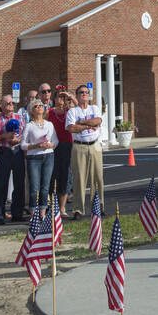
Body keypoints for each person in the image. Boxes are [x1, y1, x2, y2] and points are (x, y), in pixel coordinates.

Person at [66, 85, 103, 219]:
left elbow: (98, 120)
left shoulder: (94, 108)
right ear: (77, 96)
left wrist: (82, 122)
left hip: (95, 145)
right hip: (79, 146)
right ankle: (78, 209)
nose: (84, 94)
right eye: (81, 93)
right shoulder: (72, 112)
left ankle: (98, 207)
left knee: (97, 178)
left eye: (86, 92)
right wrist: (88, 126)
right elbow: (71, 128)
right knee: (79, 179)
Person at [20, 101, 57, 217]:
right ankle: (33, 213)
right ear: (32, 110)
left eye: (41, 106)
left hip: (48, 156)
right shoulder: (29, 126)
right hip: (34, 157)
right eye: (36, 106)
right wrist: (36, 146)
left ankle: (42, 213)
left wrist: (51, 145)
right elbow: (23, 144)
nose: (40, 107)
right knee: (34, 186)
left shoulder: (49, 124)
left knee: (45, 186)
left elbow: (55, 140)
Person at [0, 95, 26, 224]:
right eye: (7, 103)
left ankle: (17, 213)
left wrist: (19, 139)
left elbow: (26, 135)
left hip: (18, 152)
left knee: (19, 184)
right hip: (3, 152)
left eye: (12, 103)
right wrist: (2, 136)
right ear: (1, 105)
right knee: (1, 184)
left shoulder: (20, 118)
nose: (10, 105)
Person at [48, 90, 74, 217]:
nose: (62, 99)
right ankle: (53, 206)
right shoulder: (50, 112)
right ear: (54, 98)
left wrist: (70, 97)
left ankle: (62, 208)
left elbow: (79, 107)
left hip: (67, 146)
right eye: (60, 97)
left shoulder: (70, 112)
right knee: (52, 176)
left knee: (65, 176)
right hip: (53, 147)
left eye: (64, 97)